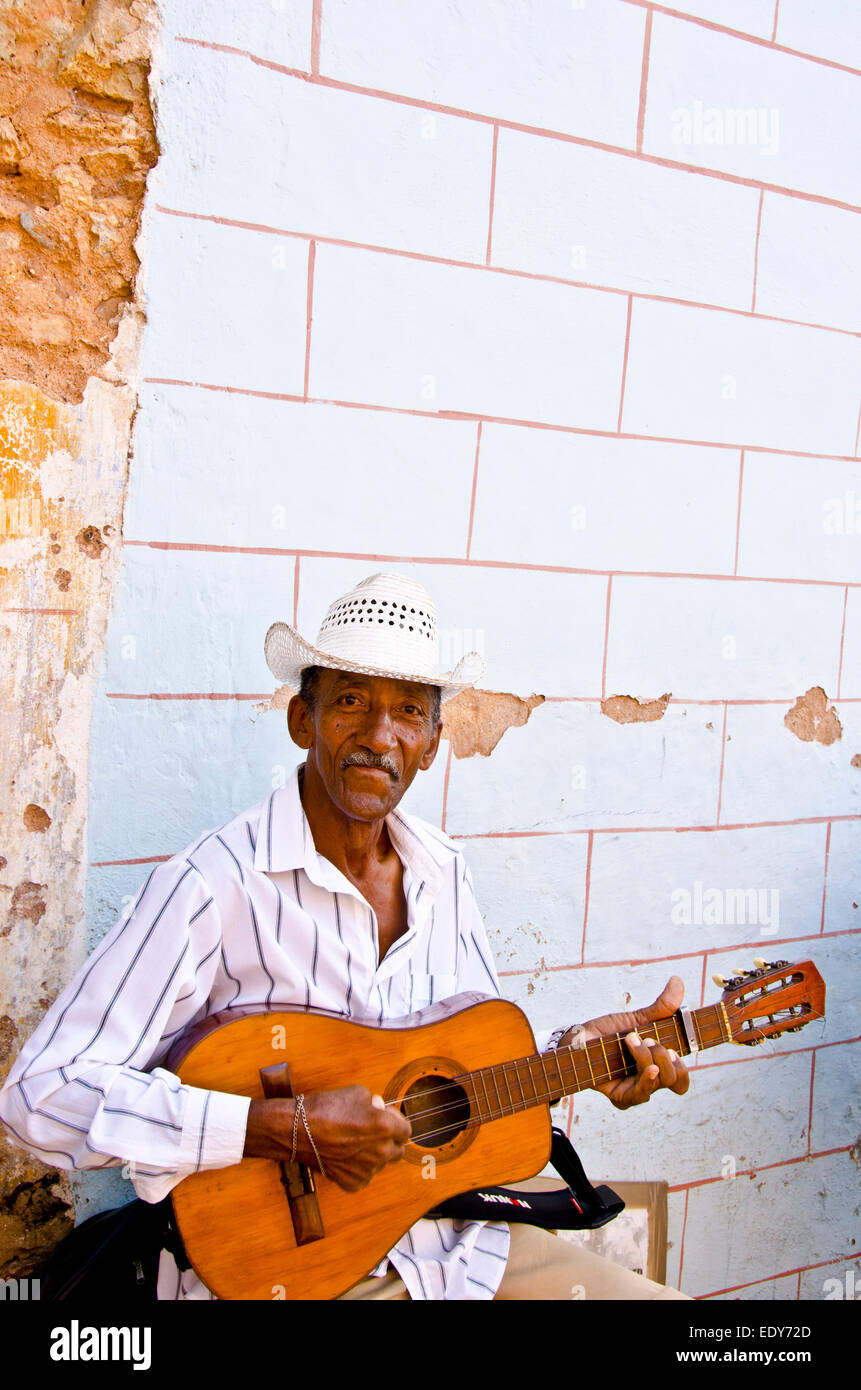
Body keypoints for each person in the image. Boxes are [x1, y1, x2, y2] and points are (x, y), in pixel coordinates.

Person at [0, 571, 690, 1300]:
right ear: (303, 720)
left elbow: (466, 1077)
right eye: (351, 703)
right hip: (290, 1272)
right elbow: (38, 1096)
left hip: (455, 1253)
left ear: (431, 743)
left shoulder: (443, 874)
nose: (377, 736)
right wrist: (276, 1127)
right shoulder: (212, 885)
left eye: (407, 713)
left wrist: (579, 1057)